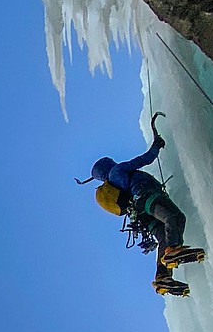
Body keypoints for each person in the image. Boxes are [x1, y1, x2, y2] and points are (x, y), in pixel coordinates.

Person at [84, 120, 204, 296]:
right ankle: (173, 249)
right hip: (147, 197)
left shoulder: (112, 186)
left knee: (163, 234)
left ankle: (163, 277)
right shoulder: (116, 172)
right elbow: (143, 160)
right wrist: (156, 145)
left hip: (141, 216)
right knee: (174, 218)